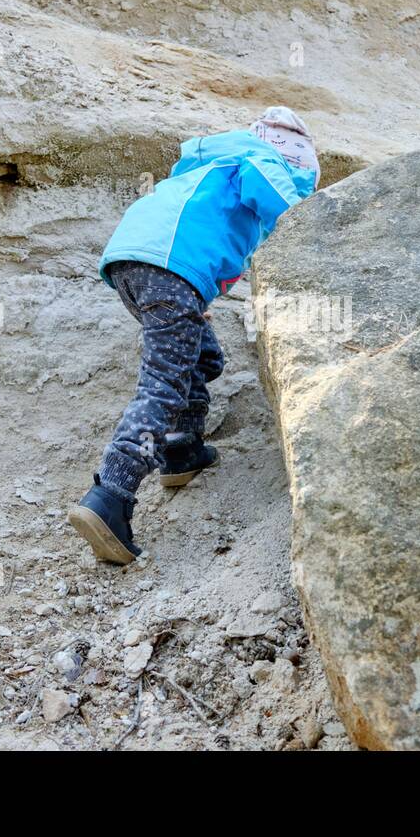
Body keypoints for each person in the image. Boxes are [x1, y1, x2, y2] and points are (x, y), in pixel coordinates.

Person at [69, 106, 320, 564]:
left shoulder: (210, 166)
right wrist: (308, 224)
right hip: (170, 269)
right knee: (163, 382)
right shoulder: (259, 157)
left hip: (134, 266)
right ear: (294, 164)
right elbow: (283, 204)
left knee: (201, 358)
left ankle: (181, 452)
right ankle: (111, 494)